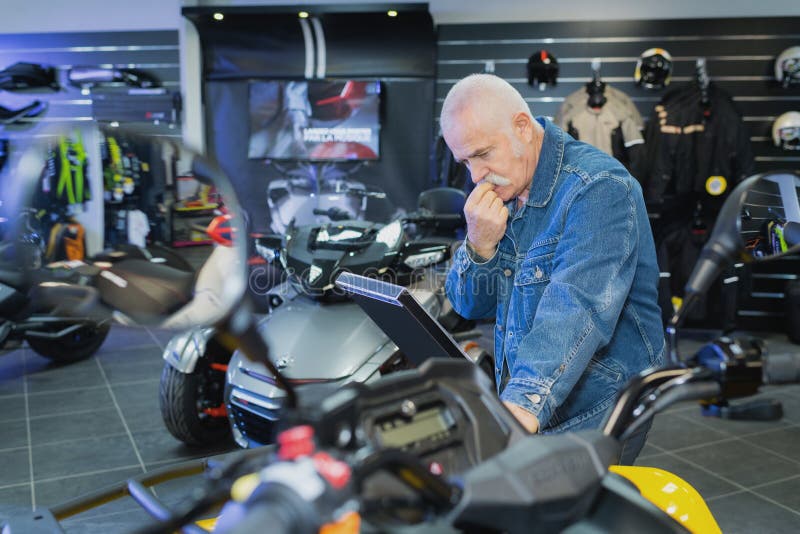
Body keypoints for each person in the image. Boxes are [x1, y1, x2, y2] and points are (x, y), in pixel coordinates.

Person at [442, 74, 665, 464]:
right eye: (465, 161)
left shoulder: (599, 186)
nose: (475, 175)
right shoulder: (504, 186)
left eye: (482, 154)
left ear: (522, 128)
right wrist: (479, 244)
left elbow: (577, 307)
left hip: (600, 399)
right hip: (534, 394)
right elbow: (468, 306)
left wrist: (521, 406)